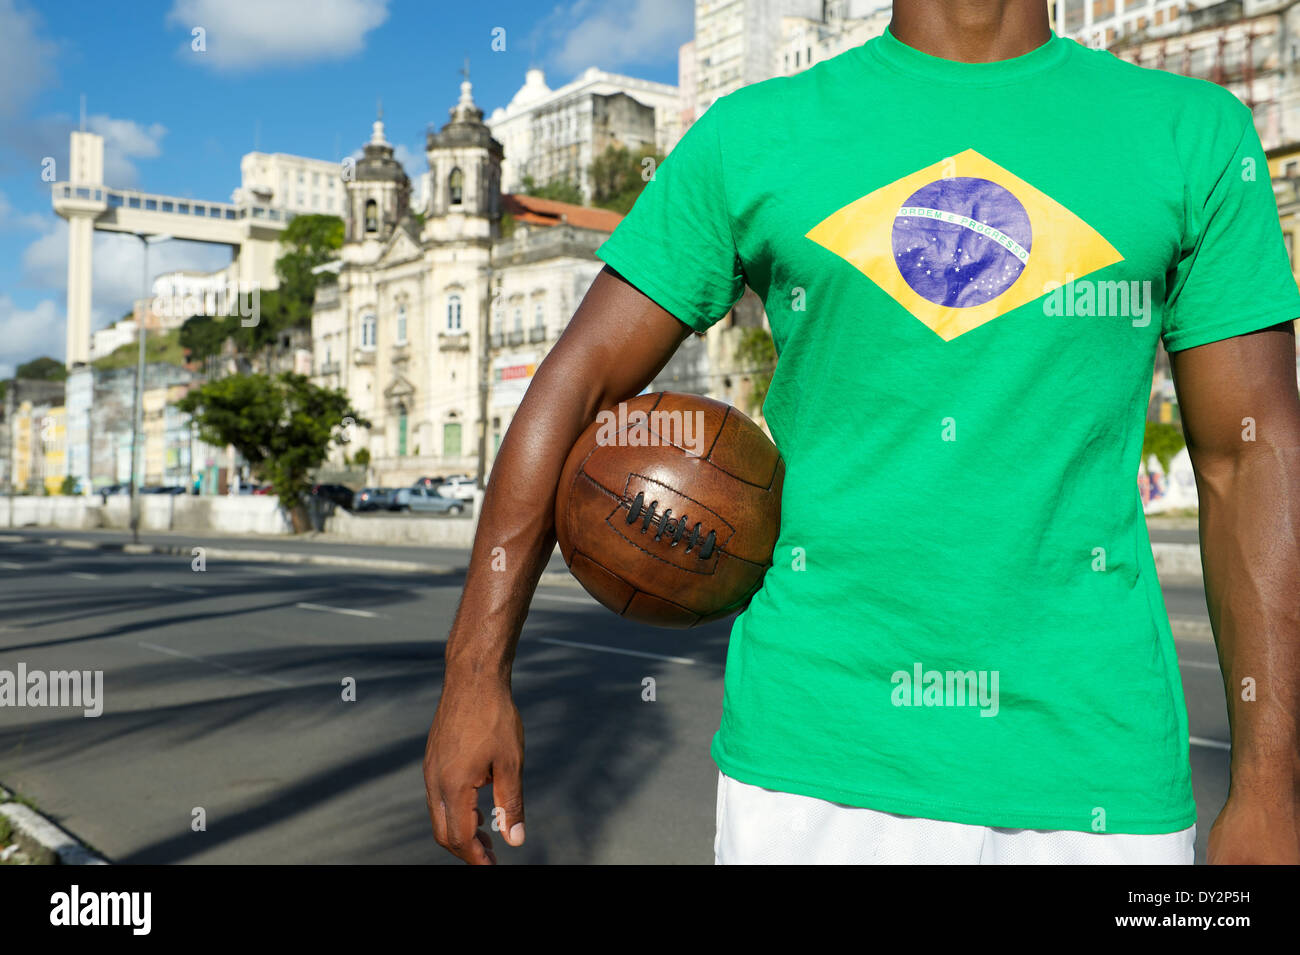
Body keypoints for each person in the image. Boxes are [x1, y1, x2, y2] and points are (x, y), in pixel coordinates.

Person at [423, 0, 1300, 864]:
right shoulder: (753, 134)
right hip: (814, 772)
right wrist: (473, 672)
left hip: (1102, 777)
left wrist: (1270, 785)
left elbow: (1249, 456)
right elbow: (576, 383)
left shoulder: (1193, 135)